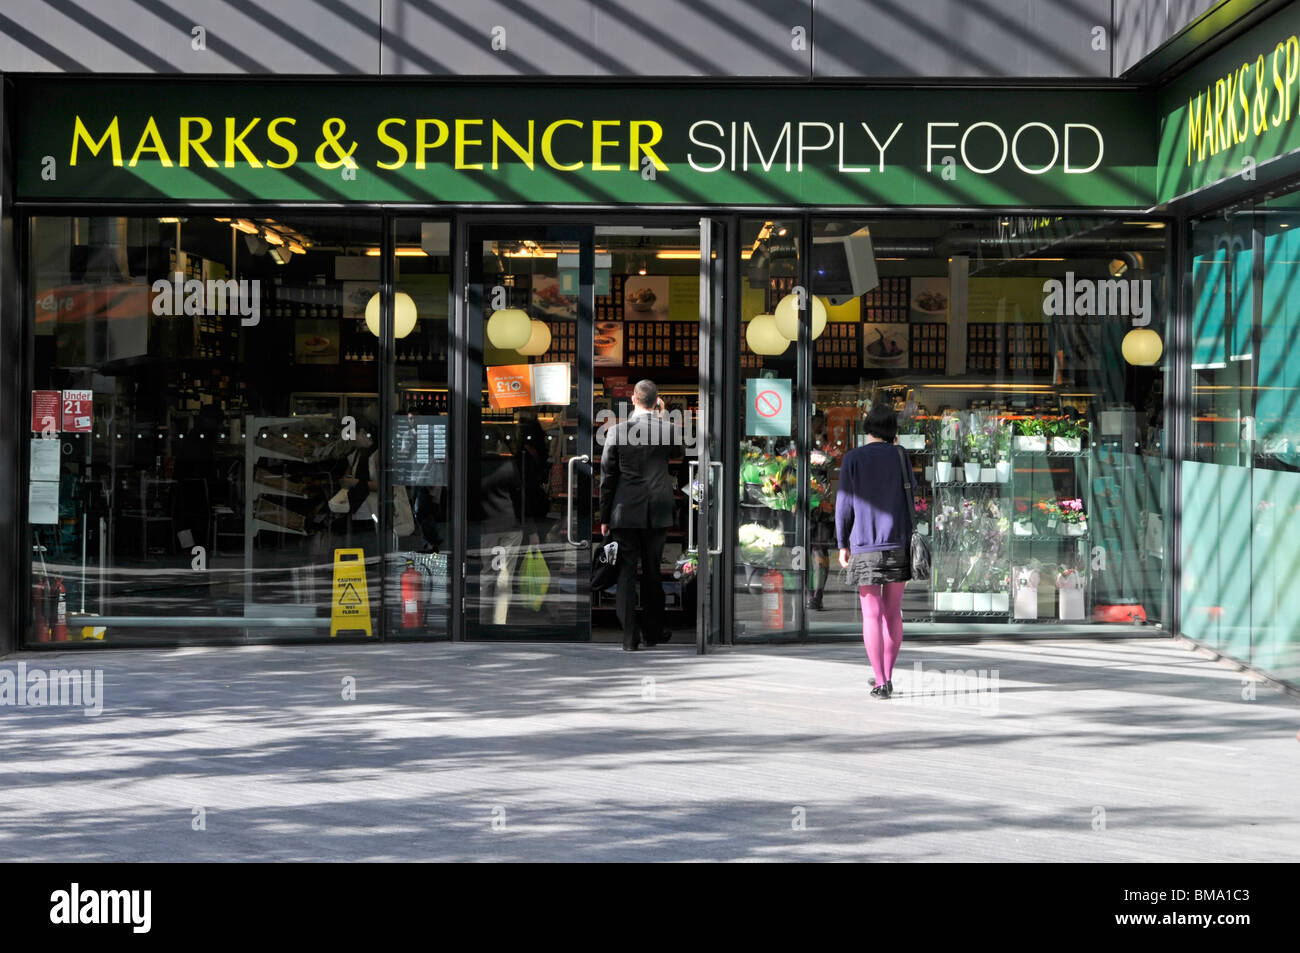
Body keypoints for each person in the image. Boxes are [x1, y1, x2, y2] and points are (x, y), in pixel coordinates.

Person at [835, 402, 916, 699]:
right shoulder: (900, 455)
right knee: (893, 613)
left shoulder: (853, 458)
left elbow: (844, 504)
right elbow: (912, 492)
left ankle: (880, 681)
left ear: (867, 427)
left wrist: (842, 543)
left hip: (864, 545)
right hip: (898, 543)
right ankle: (889, 676)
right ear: (892, 430)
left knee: (871, 614)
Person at [599, 380, 682, 651]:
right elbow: (679, 454)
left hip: (625, 509)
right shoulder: (669, 429)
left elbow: (608, 477)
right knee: (652, 573)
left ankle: (629, 637)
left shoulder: (617, 431)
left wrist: (603, 516)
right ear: (657, 402)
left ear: (633, 398)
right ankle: (652, 632)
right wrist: (663, 415)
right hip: (658, 509)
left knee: (626, 572)